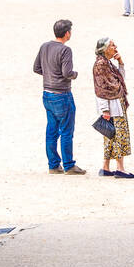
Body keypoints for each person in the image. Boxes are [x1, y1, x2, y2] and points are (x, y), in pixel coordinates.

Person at [34, 19, 85, 174]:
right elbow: (67, 73)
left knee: (51, 131)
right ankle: (69, 165)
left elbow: (36, 68)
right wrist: (75, 75)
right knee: (66, 131)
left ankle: (53, 165)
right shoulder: (65, 50)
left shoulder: (44, 46)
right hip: (62, 94)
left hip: (47, 93)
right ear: (67, 33)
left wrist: (49, 74)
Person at [93, 37, 134, 179]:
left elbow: (120, 79)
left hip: (115, 104)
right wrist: (104, 110)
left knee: (110, 137)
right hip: (112, 106)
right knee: (118, 136)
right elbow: (101, 88)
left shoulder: (107, 63)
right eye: (112, 45)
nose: (115, 47)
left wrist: (121, 62)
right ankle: (120, 168)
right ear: (105, 49)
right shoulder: (101, 65)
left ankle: (106, 167)